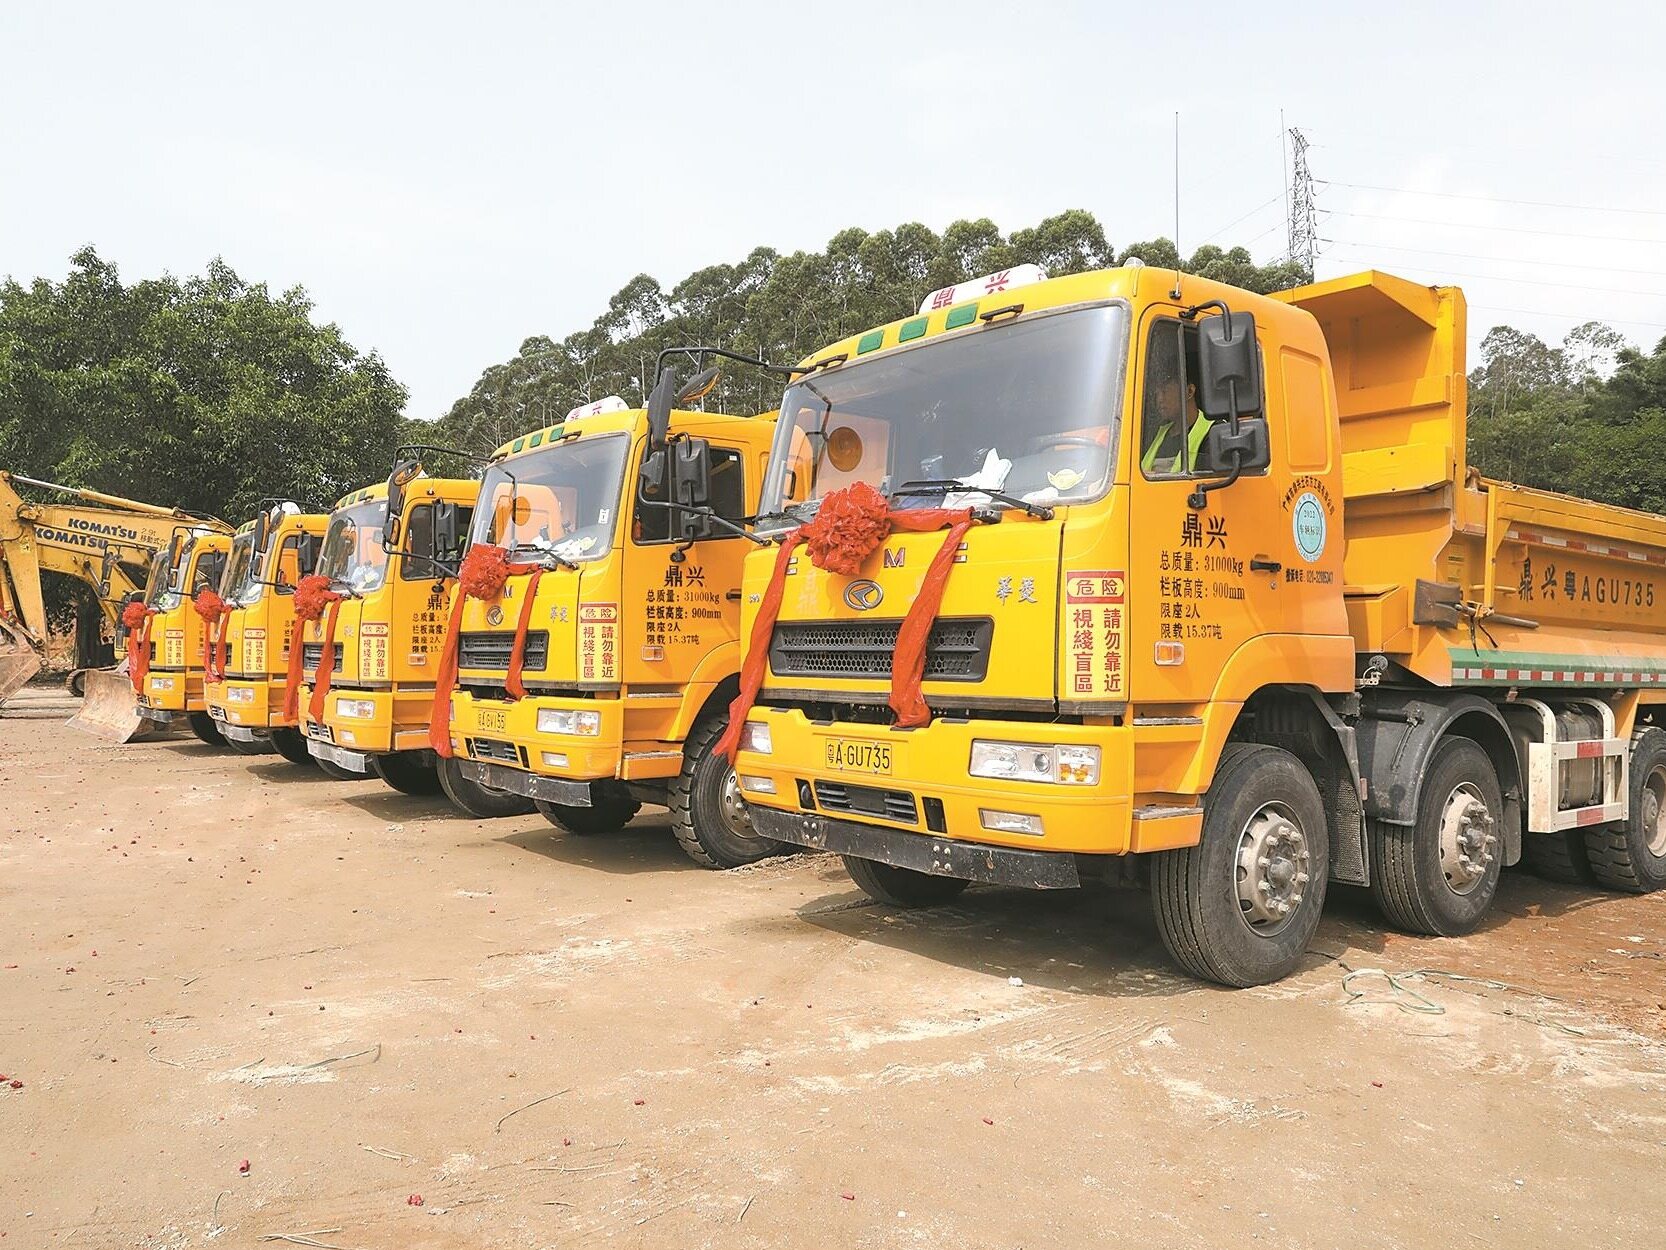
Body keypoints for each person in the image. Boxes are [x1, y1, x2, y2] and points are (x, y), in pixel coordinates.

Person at [1141, 370, 1213, 476]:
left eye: (1165, 391)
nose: (1159, 399)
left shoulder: (1213, 432)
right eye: (1157, 393)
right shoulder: (1156, 433)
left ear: (1189, 391)